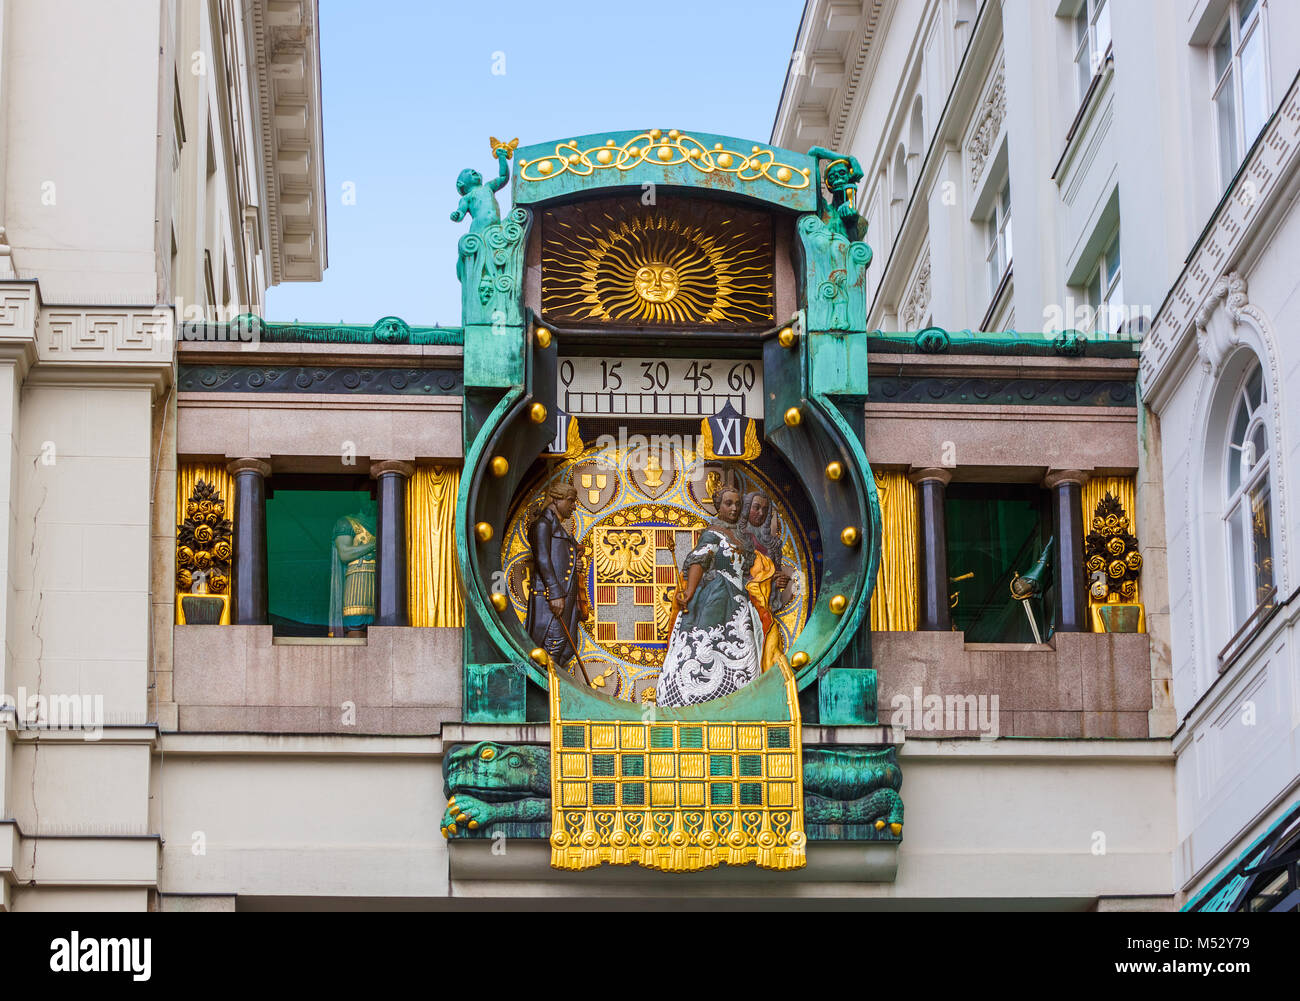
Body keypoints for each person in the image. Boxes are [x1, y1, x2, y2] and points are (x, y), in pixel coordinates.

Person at [655, 486, 765, 708]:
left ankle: (738, 699)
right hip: (718, 594)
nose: (734, 508)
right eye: (728, 504)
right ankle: (696, 694)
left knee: (742, 645)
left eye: (737, 504)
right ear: (719, 507)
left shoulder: (743, 538)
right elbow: (699, 562)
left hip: (740, 598)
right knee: (705, 644)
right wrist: (690, 591)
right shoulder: (713, 533)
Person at [525, 482, 591, 672]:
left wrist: (575, 564)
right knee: (552, 644)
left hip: (564, 598)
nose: (574, 506)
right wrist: (554, 593)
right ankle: (546, 687)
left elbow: (560, 558)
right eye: (570, 501)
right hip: (553, 598)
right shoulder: (542, 525)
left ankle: (552, 681)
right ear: (555, 499)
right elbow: (543, 558)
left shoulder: (556, 526)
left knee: (566, 647)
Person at [739, 491, 793, 673]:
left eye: (765, 509)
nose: (761, 513)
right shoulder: (737, 539)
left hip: (764, 604)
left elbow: (773, 574)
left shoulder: (773, 545)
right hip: (743, 605)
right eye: (756, 508)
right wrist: (766, 579)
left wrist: (778, 583)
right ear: (746, 510)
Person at [329, 505, 377, 638]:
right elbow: (344, 553)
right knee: (356, 625)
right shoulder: (346, 522)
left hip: (383, 582)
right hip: (358, 581)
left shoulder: (384, 522)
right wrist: (375, 543)